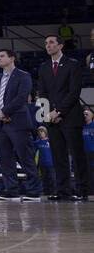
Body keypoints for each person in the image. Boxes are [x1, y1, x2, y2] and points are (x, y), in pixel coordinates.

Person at [37, 34, 88, 201]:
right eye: (46, 43)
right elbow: (42, 93)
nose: (48, 46)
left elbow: (73, 93)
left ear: (60, 46)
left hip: (71, 116)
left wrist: (57, 111)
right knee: (58, 156)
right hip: (52, 119)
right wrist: (47, 114)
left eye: (51, 42)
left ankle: (82, 191)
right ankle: (63, 191)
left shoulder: (73, 65)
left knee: (77, 155)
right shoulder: (44, 67)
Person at [0, 49, 41, 201]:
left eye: (2, 56)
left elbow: (21, 98)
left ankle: (34, 190)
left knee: (25, 157)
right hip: (0, 122)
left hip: (17, 121)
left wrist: (4, 111)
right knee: (5, 159)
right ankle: (11, 189)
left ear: (12, 58)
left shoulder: (23, 76)